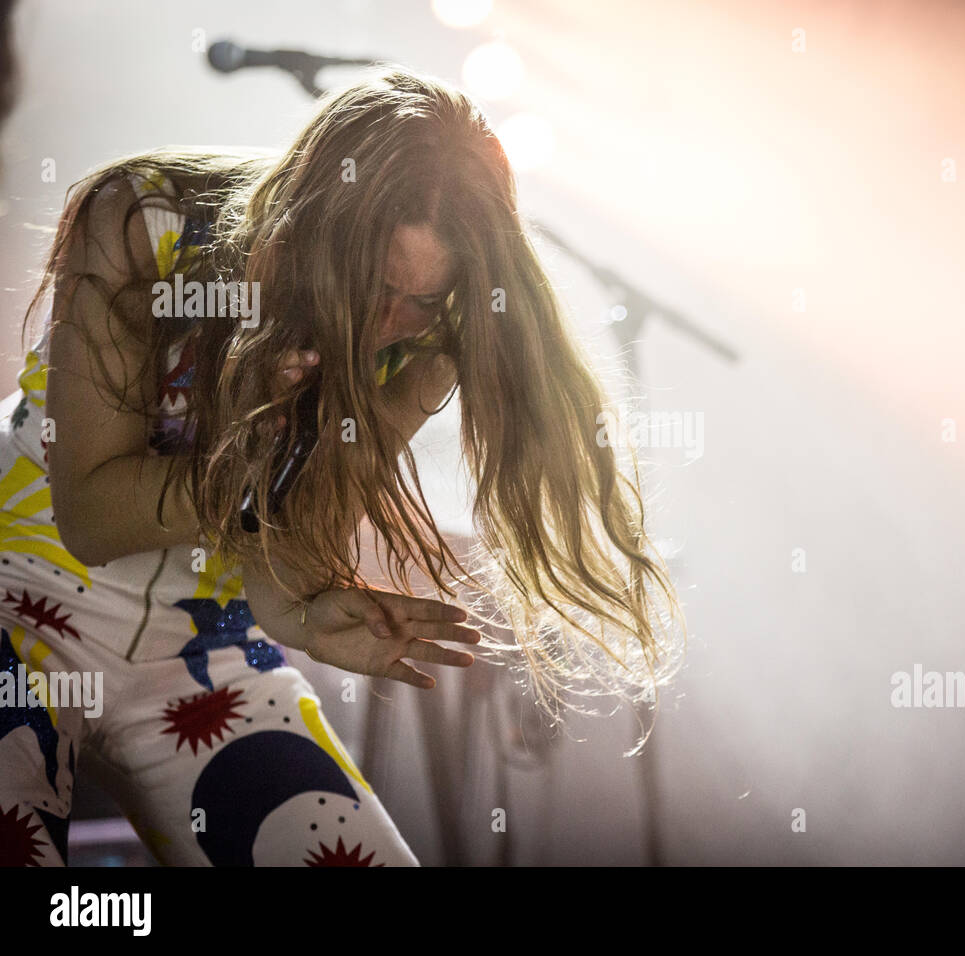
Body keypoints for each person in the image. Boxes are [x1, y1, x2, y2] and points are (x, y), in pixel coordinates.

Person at [0, 67, 684, 866]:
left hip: (206, 645)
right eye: (379, 285)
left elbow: (283, 543)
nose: (388, 323)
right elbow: (90, 515)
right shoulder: (144, 216)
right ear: (313, 226)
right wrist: (270, 452)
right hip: (20, 606)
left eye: (423, 301)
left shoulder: (422, 342)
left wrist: (304, 611)